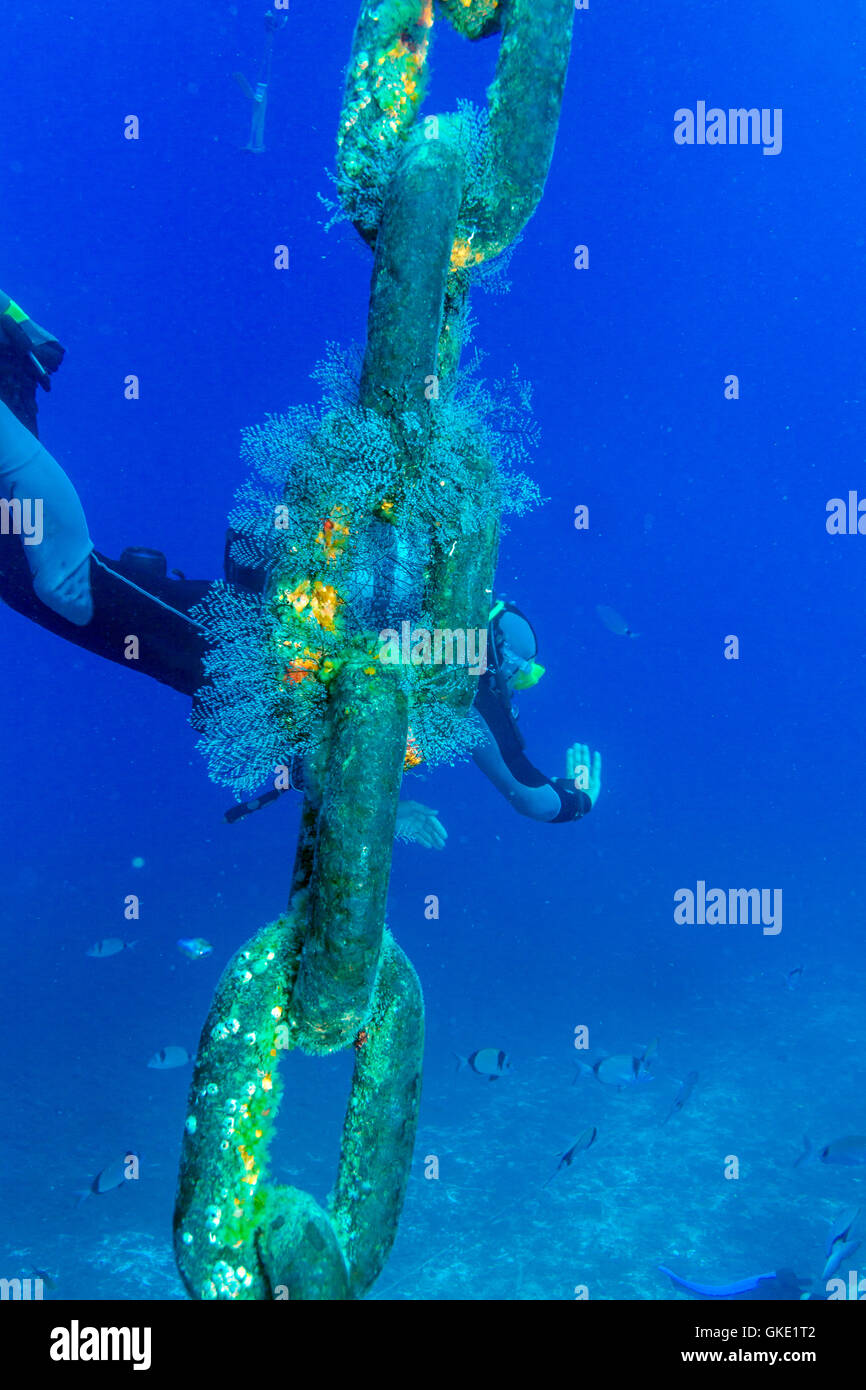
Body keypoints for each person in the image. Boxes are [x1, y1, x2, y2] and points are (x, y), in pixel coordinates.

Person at [0, 292, 602, 845]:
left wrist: (384, 810)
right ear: (492, 638)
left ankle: (19, 361)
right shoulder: (465, 676)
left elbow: (329, 750)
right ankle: (15, 369)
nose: (512, 681)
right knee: (67, 586)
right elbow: (529, 796)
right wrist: (580, 799)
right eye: (516, 665)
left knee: (40, 574)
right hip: (236, 641)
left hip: (245, 641)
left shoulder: (429, 649)